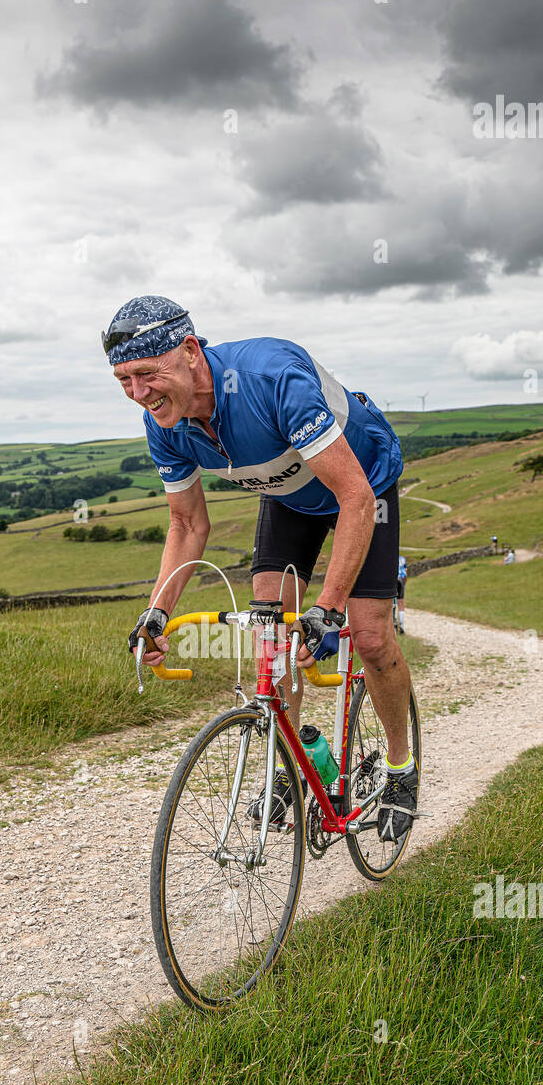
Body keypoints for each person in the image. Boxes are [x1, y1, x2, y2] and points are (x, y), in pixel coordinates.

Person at [105, 296, 418, 843]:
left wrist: (328, 608)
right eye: (123, 379)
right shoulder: (166, 423)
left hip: (364, 484)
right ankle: (287, 769)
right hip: (290, 497)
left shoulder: (270, 379)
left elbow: (354, 497)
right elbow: (186, 526)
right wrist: (156, 614)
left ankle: (399, 767)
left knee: (367, 634)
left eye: (147, 374)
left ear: (190, 350)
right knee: (270, 634)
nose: (138, 394)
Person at [396, 553, 408, 634]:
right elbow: (406, 572)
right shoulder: (402, 559)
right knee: (400, 602)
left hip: (393, 578)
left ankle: (393, 625)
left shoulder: (389, 557)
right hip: (401, 579)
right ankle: (402, 625)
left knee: (389, 603)